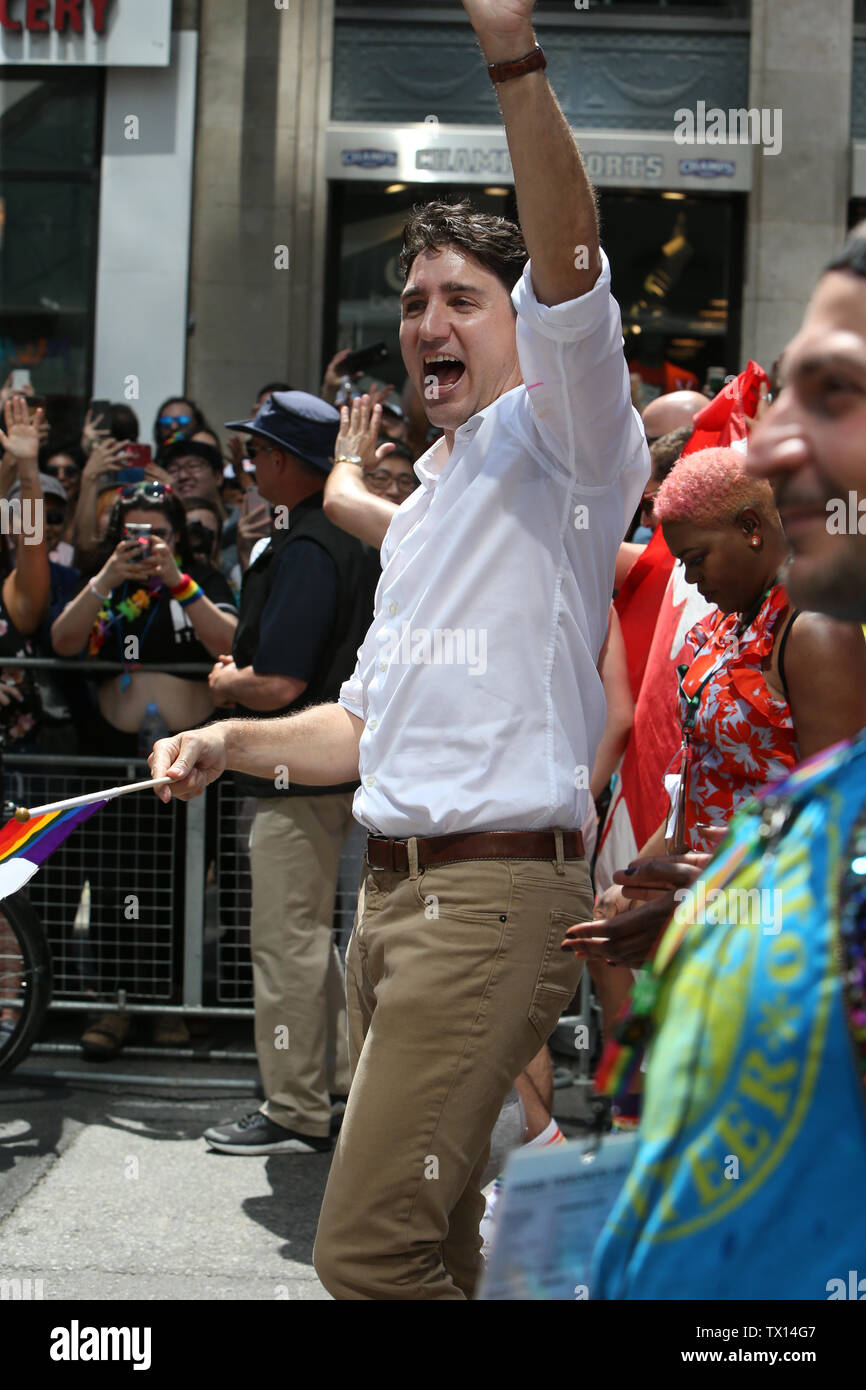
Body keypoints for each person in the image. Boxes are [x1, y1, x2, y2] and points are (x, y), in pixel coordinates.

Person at [151, 0, 647, 1300]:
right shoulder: (425, 509)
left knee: (365, 1254)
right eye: (413, 299)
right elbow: (360, 730)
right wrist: (229, 738)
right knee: (441, 1241)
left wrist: (509, 53)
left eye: (462, 300)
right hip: (389, 903)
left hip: (487, 909)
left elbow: (576, 263)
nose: (428, 319)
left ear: (522, 325)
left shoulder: (568, 443)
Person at [567, 221, 866, 1299]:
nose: (775, 440)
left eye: (832, 394)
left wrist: (694, 908)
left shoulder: (821, 638)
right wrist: (663, 878)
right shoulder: (726, 639)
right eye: (781, 395)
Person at [199, 390, 380, 1158]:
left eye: (258, 451)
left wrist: (226, 687)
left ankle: (294, 1108)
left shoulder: (309, 544)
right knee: (316, 944)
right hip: (330, 769)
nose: (249, 463)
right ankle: (330, 1087)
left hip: (295, 771)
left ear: (283, 461)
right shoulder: (335, 537)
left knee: (288, 942)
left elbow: (276, 684)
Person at [50, 481, 238, 1058]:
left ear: (177, 535)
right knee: (112, 883)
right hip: (114, 761)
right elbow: (62, 641)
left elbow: (233, 642)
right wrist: (108, 577)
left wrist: (177, 580)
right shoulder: (103, 586)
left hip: (186, 766)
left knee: (176, 882)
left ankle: (170, 1004)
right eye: (134, 532)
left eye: (157, 531)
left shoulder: (200, 582)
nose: (146, 542)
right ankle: (116, 1003)